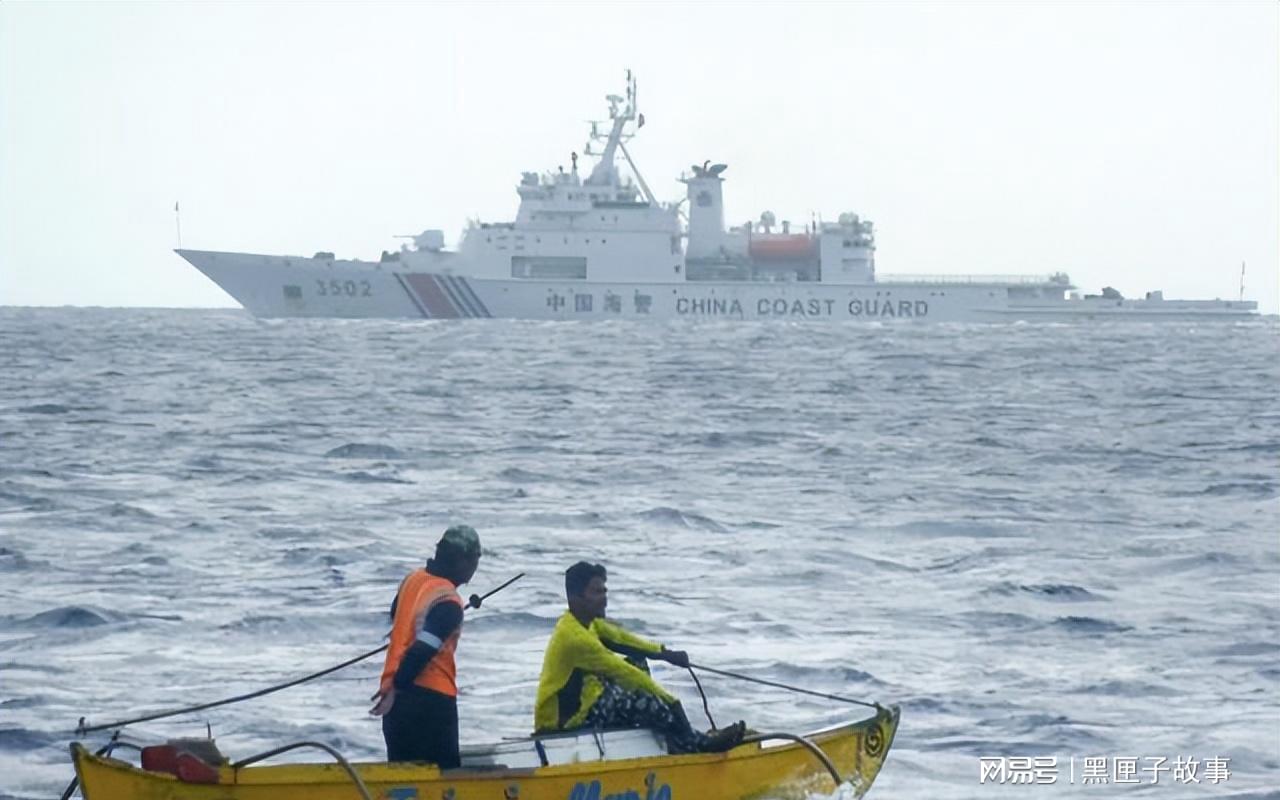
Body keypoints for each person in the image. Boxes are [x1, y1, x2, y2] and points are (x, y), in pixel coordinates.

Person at [534, 561, 745, 754]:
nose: (604, 598)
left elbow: (622, 639)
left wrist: (664, 653)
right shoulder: (575, 638)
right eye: (596, 592)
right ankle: (694, 744)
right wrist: (671, 702)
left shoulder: (585, 622)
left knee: (639, 662)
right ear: (576, 598)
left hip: (588, 700)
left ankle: (671, 736)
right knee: (644, 699)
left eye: (604, 591)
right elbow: (623, 673)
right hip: (565, 722)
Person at [370, 525, 482, 766]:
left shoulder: (413, 579)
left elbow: (397, 614)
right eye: (475, 560)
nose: (474, 568)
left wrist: (394, 689)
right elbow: (422, 650)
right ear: (463, 561)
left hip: (396, 704)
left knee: (403, 781)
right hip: (430, 703)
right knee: (442, 778)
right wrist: (399, 686)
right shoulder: (449, 602)